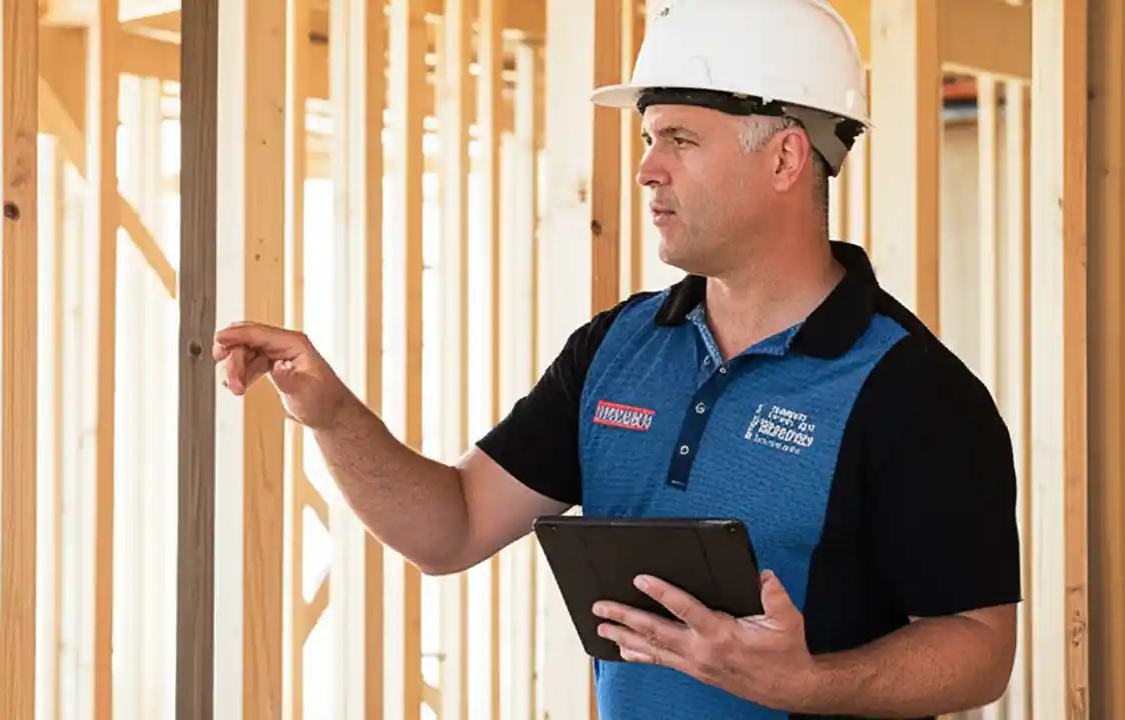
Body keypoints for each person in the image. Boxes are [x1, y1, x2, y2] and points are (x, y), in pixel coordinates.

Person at [212, 0, 1022, 717]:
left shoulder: (914, 391)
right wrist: (330, 416)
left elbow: (981, 646)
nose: (645, 169)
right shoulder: (616, 349)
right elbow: (449, 529)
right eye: (647, 137)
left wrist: (805, 684)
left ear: (783, 158)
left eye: (679, 138)